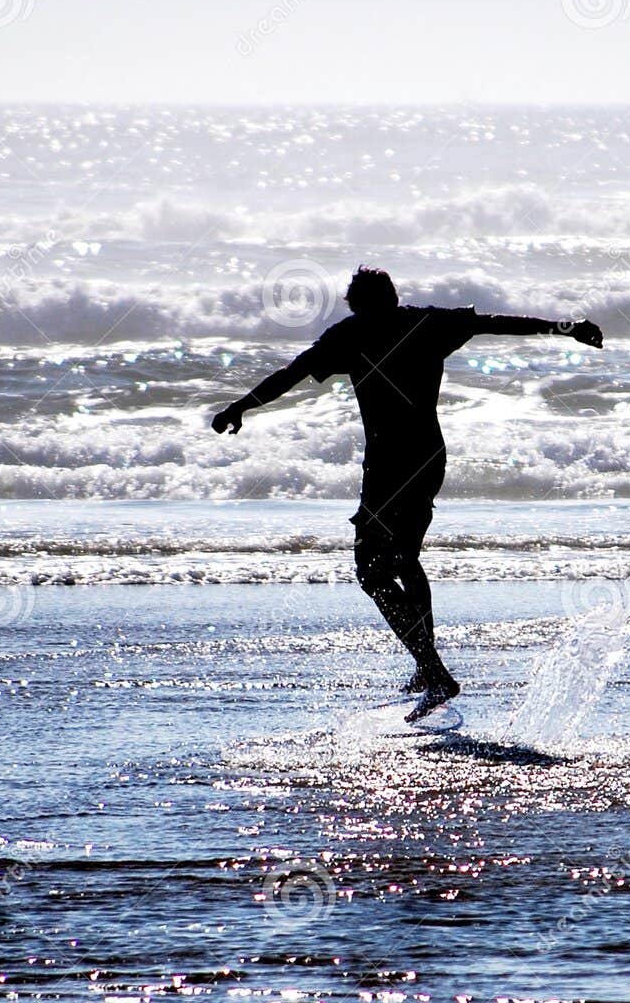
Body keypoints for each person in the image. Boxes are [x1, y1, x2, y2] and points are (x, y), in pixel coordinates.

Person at [213, 267, 603, 718]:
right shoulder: (425, 322)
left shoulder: (353, 333)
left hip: (387, 466)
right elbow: (498, 323)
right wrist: (568, 328)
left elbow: (291, 374)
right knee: (404, 559)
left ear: (358, 305)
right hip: (426, 457)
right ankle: (428, 667)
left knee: (372, 571)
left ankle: (433, 670)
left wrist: (239, 406)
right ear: (392, 297)